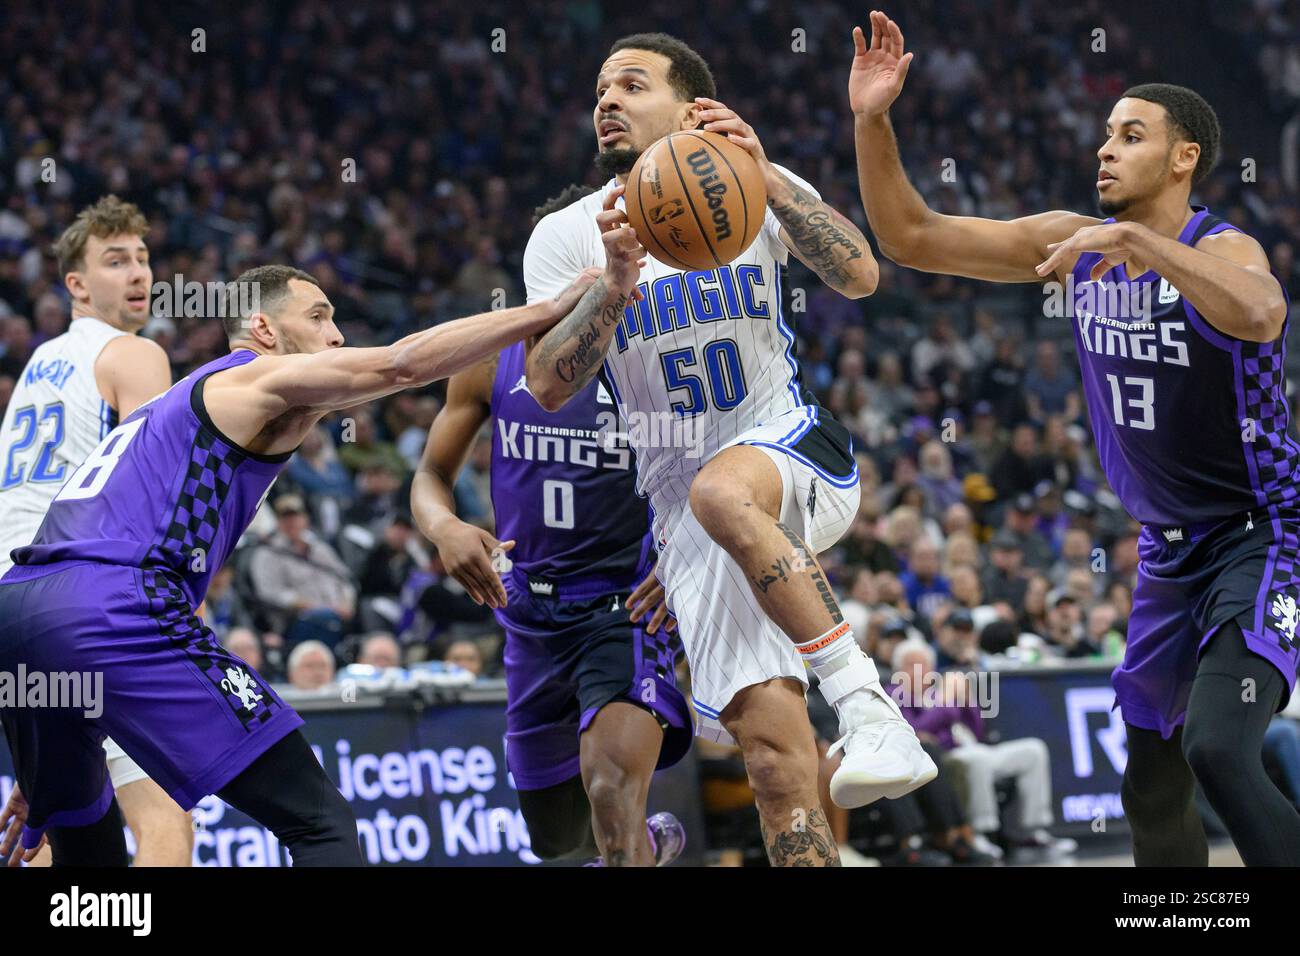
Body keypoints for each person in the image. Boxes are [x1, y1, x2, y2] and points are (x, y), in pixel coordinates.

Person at [852, 11, 1300, 865]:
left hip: (1266, 535)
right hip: (1168, 556)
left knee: (1218, 746)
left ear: (1183, 159)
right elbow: (909, 236)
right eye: (1104, 134)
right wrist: (873, 120)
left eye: (1130, 136)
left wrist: (1137, 238)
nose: (1104, 149)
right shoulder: (1075, 245)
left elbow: (1262, 309)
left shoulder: (1221, 245)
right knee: (1150, 786)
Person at [0, 261, 597, 866]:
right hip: (112, 605)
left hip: (27, 613)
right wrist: (550, 309)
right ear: (261, 327)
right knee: (319, 822)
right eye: (318, 317)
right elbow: (403, 364)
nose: (336, 335)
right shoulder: (251, 380)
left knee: (84, 858)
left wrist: (52, 710)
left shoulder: (175, 410)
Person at [522, 31, 933, 866]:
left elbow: (860, 275)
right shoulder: (569, 234)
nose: (606, 99)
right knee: (777, 766)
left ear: (690, 107)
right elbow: (547, 384)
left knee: (723, 492)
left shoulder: (751, 184)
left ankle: (868, 708)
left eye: (631, 84)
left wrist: (772, 176)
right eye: (599, 87)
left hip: (786, 443)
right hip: (684, 510)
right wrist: (612, 286)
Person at [412, 188, 691, 868]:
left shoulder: (652, 360)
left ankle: (636, 842)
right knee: (555, 836)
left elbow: (721, 469)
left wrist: (687, 557)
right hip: (527, 613)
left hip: (623, 608)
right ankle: (653, 843)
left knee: (608, 794)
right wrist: (445, 528)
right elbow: (427, 479)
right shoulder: (490, 357)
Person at [0, 196, 193, 867]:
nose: (138, 273)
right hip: (80, 603)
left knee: (60, 832)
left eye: (142, 257)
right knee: (165, 820)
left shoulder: (35, 369)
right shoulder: (134, 354)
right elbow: (151, 491)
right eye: (115, 260)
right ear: (76, 284)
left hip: (12, 611)